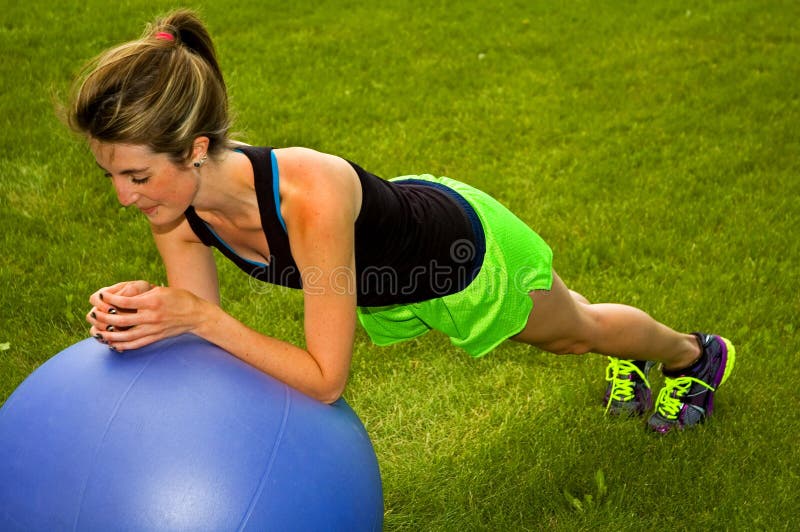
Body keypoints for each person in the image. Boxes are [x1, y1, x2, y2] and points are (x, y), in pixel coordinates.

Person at [66, 9, 734, 434]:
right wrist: (146, 315)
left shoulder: (309, 196)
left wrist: (194, 316)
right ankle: (637, 353)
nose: (126, 198)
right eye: (112, 177)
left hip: (458, 259)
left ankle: (692, 354)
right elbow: (198, 332)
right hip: (389, 272)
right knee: (576, 324)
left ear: (197, 148)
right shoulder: (176, 209)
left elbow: (324, 380)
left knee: (576, 333)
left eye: (138, 176)